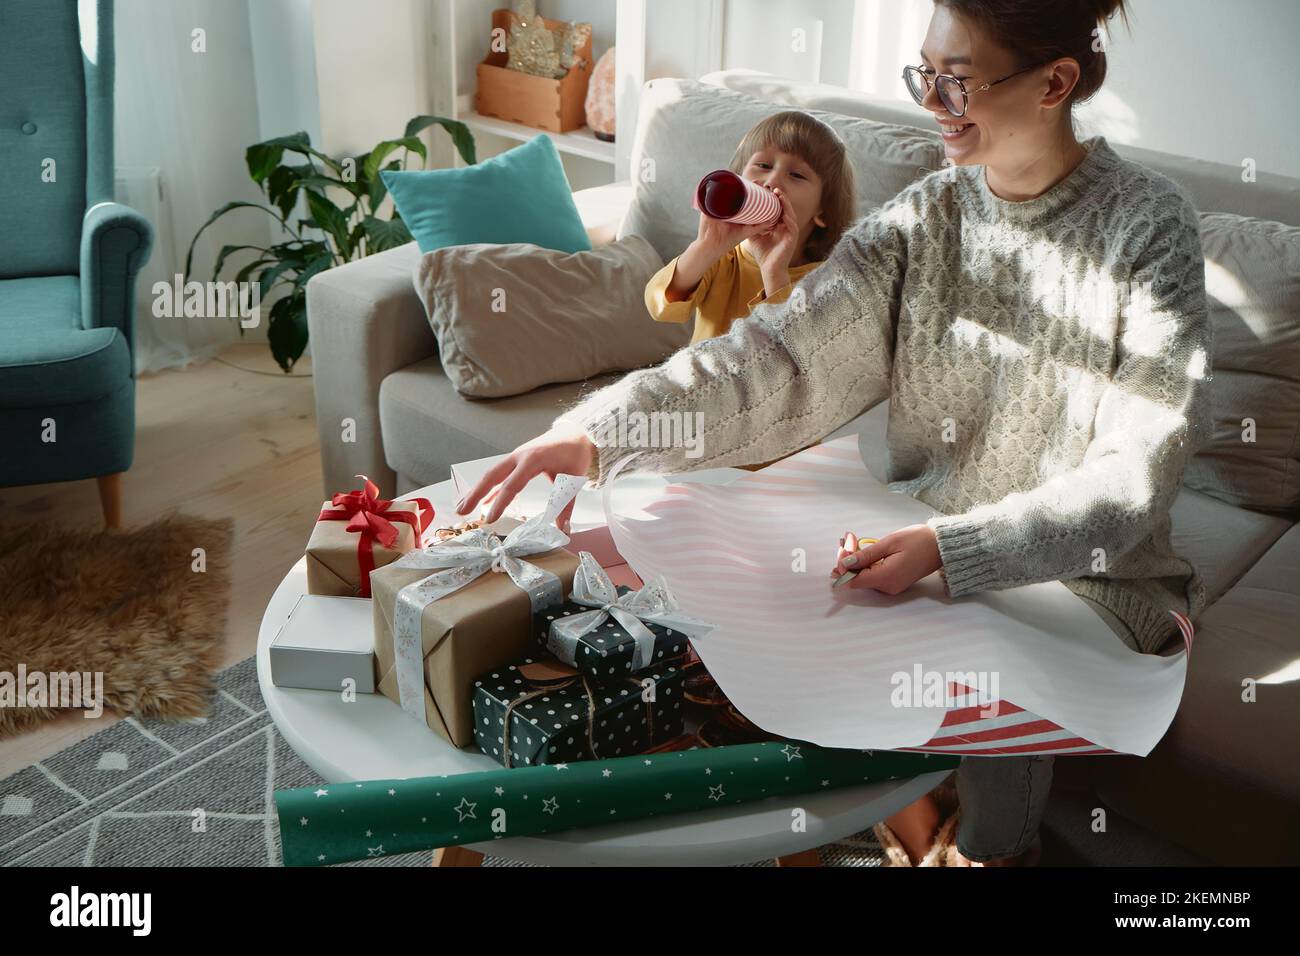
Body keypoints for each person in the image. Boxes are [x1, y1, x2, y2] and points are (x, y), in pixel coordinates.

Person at [455, 0, 1211, 867]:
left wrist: (946, 548)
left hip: (1085, 577)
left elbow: (1134, 479)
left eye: (956, 78)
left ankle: (994, 851)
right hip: (923, 527)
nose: (933, 100)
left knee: (987, 681)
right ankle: (897, 826)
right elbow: (775, 356)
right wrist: (598, 432)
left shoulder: (1149, 226)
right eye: (923, 71)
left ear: (1057, 83)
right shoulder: (925, 217)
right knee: (702, 540)